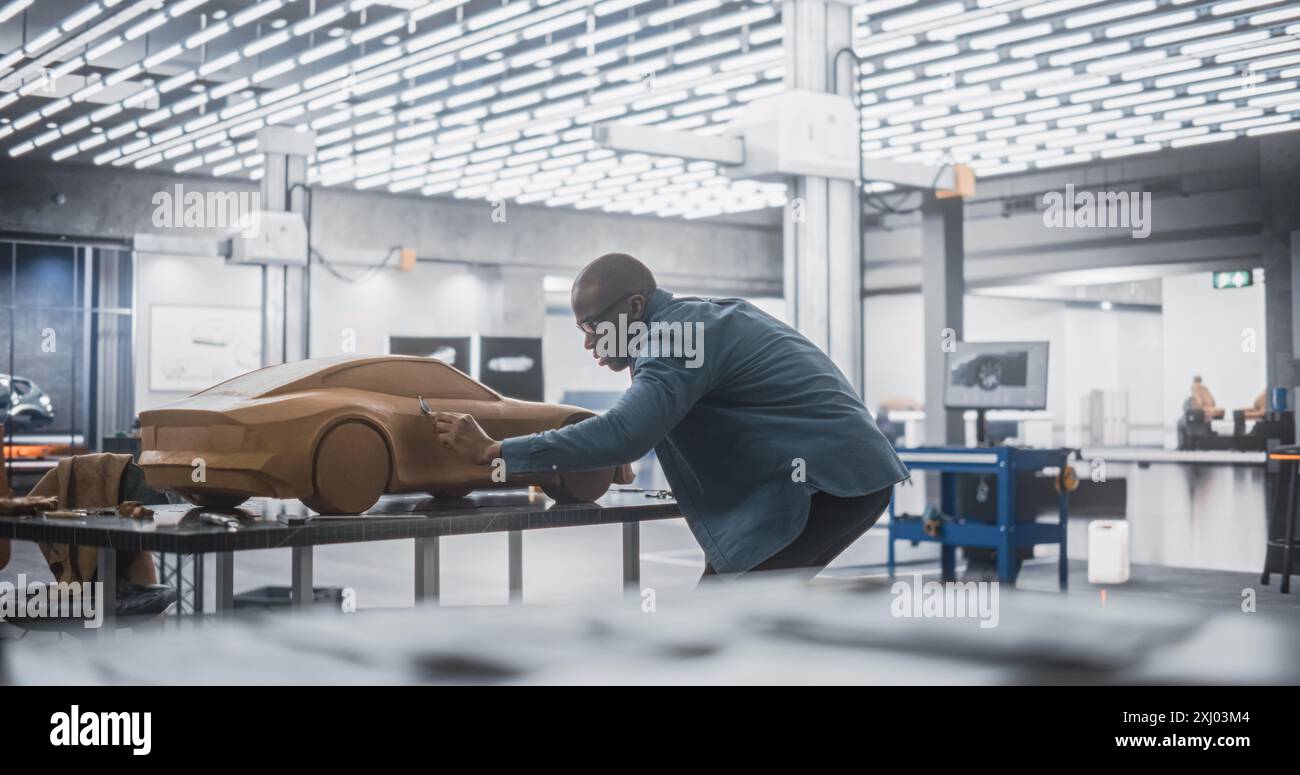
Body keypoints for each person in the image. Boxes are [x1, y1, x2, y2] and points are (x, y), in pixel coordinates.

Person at [434, 253, 909, 581]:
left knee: (719, 622)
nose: (588, 342)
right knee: (736, 616)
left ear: (634, 308)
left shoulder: (675, 339)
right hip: (847, 476)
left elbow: (625, 432)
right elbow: (648, 422)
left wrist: (495, 452)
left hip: (828, 487)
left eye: (592, 327)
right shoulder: (691, 324)